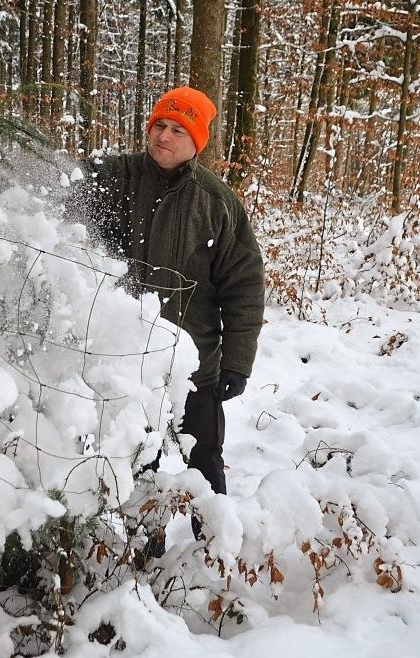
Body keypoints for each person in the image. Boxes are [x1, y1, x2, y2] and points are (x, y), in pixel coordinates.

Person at [75, 86, 265, 504]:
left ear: (195, 142)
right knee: (138, 462)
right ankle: (141, 554)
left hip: (195, 364)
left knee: (206, 462)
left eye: (178, 130)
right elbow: (59, 189)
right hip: (129, 361)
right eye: (159, 125)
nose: (163, 136)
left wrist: (237, 361)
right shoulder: (113, 176)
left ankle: (213, 545)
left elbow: (244, 287)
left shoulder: (217, 203)